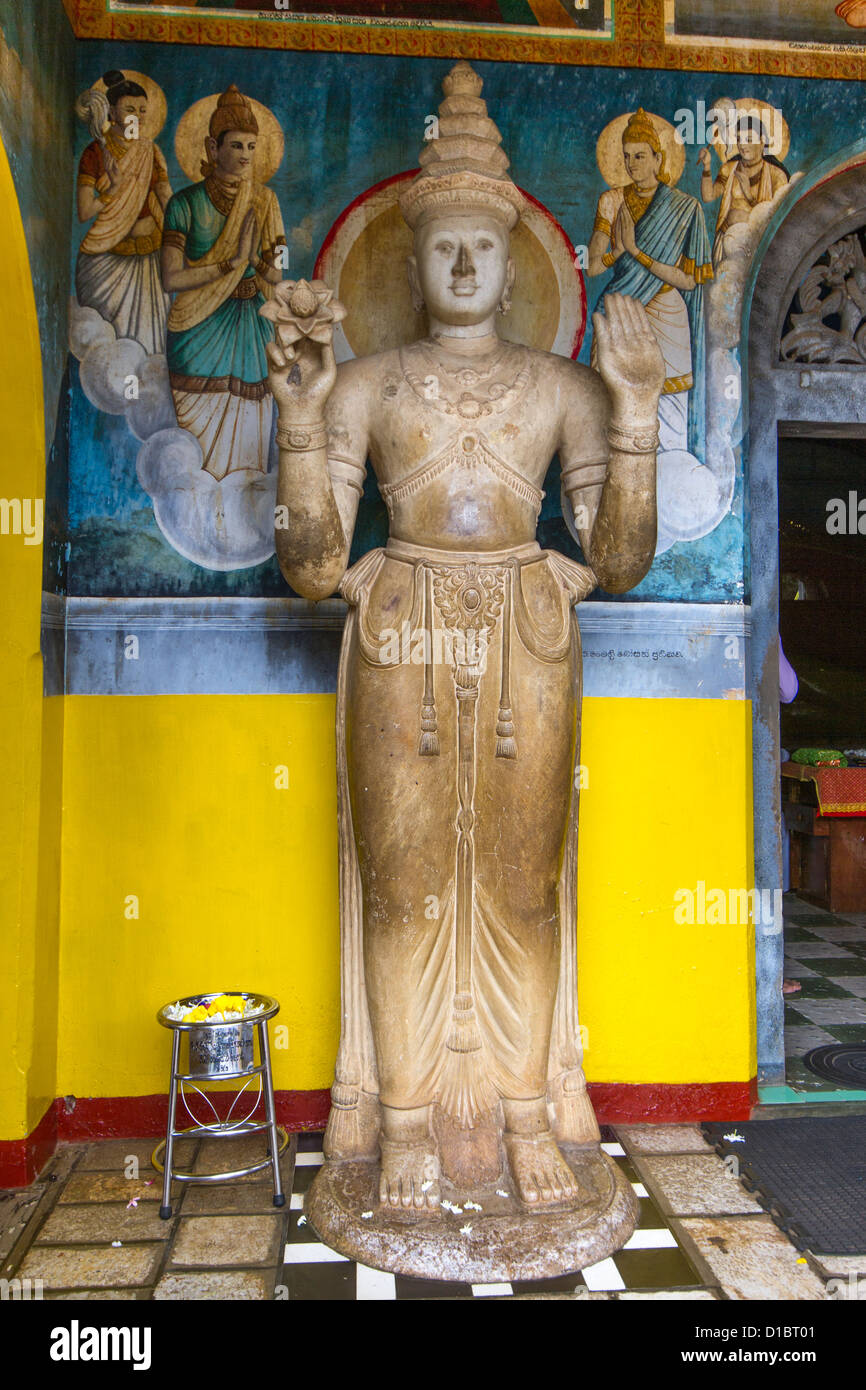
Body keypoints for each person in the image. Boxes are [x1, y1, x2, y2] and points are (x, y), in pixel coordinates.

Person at [266, 64, 665, 1209]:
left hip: (528, 636)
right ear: (410, 255)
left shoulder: (560, 387)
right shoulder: (365, 388)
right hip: (398, 630)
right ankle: (399, 1125)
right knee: (399, 884)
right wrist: (299, 418)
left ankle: (528, 1114)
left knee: (522, 881)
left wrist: (633, 414)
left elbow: (622, 558)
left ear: (512, 260)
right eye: (438, 244)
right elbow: (307, 566)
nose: (457, 265)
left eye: (479, 248)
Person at [161, 86, 286, 480]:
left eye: (252, 145)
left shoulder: (266, 202)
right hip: (197, 332)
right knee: (197, 452)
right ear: (212, 147)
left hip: (251, 328)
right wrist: (231, 263)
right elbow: (171, 278)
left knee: (250, 437)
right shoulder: (183, 203)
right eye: (236, 145)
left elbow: (278, 274)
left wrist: (254, 262)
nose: (246, 155)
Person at [588, 108, 712, 459]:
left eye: (640, 156)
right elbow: (595, 267)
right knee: (613, 409)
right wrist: (617, 252)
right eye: (626, 157)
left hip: (668, 315)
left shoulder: (685, 208)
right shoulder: (611, 201)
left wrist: (637, 253)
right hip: (620, 310)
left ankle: (670, 484)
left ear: (658, 158)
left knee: (669, 417)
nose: (632, 164)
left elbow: (690, 280)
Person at [76, 70, 172, 355]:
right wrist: (112, 189)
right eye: (130, 109)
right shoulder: (95, 153)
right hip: (107, 259)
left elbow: (165, 198)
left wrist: (181, 231)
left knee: (149, 346)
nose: (138, 117)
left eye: (143, 110)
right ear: (112, 112)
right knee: (111, 345)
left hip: (149, 262)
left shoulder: (150, 152)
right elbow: (84, 212)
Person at [699, 115, 789, 268]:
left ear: (761, 141)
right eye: (739, 139)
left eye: (748, 139)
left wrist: (748, 194)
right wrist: (707, 167)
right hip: (726, 242)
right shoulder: (729, 169)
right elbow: (708, 196)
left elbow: (779, 218)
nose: (742, 145)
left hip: (759, 247)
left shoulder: (776, 175)